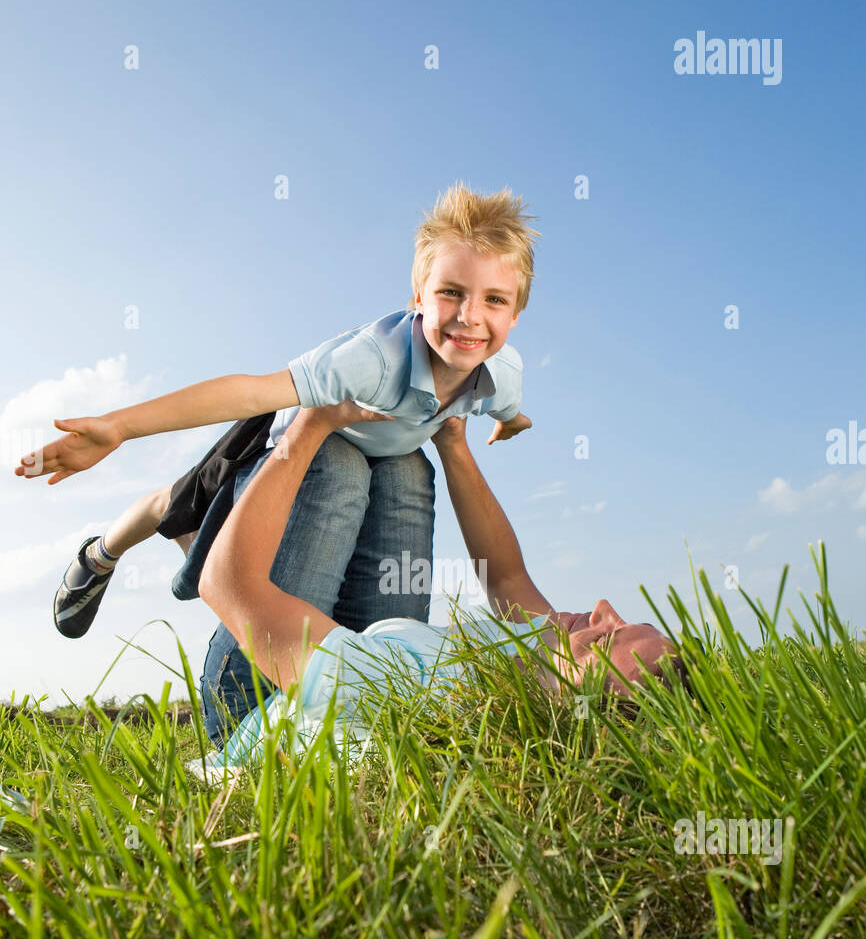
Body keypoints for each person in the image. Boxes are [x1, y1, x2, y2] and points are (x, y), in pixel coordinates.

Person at [15, 183, 537, 741]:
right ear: (418, 295)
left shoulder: (501, 373)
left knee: (410, 470)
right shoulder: (368, 361)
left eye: (494, 301)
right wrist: (119, 425)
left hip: (386, 455)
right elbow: (250, 390)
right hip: (292, 444)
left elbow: (507, 408)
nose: (468, 317)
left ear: (516, 312)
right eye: (450, 293)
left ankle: (355, 692)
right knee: (174, 504)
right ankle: (99, 556)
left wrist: (509, 423)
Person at [188, 398, 682, 781]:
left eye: (600, 639)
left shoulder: (401, 694)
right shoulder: (536, 656)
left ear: (551, 705)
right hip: (362, 643)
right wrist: (454, 444)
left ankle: (185, 511)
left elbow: (229, 586)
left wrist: (309, 425)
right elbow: (506, 576)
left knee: (333, 459)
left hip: (259, 696)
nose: (602, 609)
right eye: (626, 621)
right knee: (408, 466)